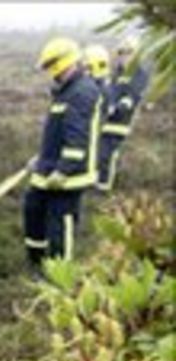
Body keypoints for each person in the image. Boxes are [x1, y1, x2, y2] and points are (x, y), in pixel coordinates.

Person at [24, 37, 102, 275]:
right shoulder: (66, 90)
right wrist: (41, 158)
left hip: (69, 177)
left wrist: (63, 169)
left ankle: (60, 276)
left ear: (63, 63)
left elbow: (77, 139)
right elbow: (57, 134)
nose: (50, 73)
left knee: (60, 224)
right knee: (33, 209)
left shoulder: (82, 92)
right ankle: (37, 264)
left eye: (51, 66)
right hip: (49, 168)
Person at [97, 36, 150, 192]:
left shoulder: (139, 74)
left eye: (128, 53)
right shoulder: (115, 74)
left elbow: (133, 96)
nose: (124, 57)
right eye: (122, 53)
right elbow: (108, 91)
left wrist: (118, 107)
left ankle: (104, 187)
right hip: (105, 120)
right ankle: (97, 182)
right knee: (97, 153)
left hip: (121, 122)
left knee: (107, 154)